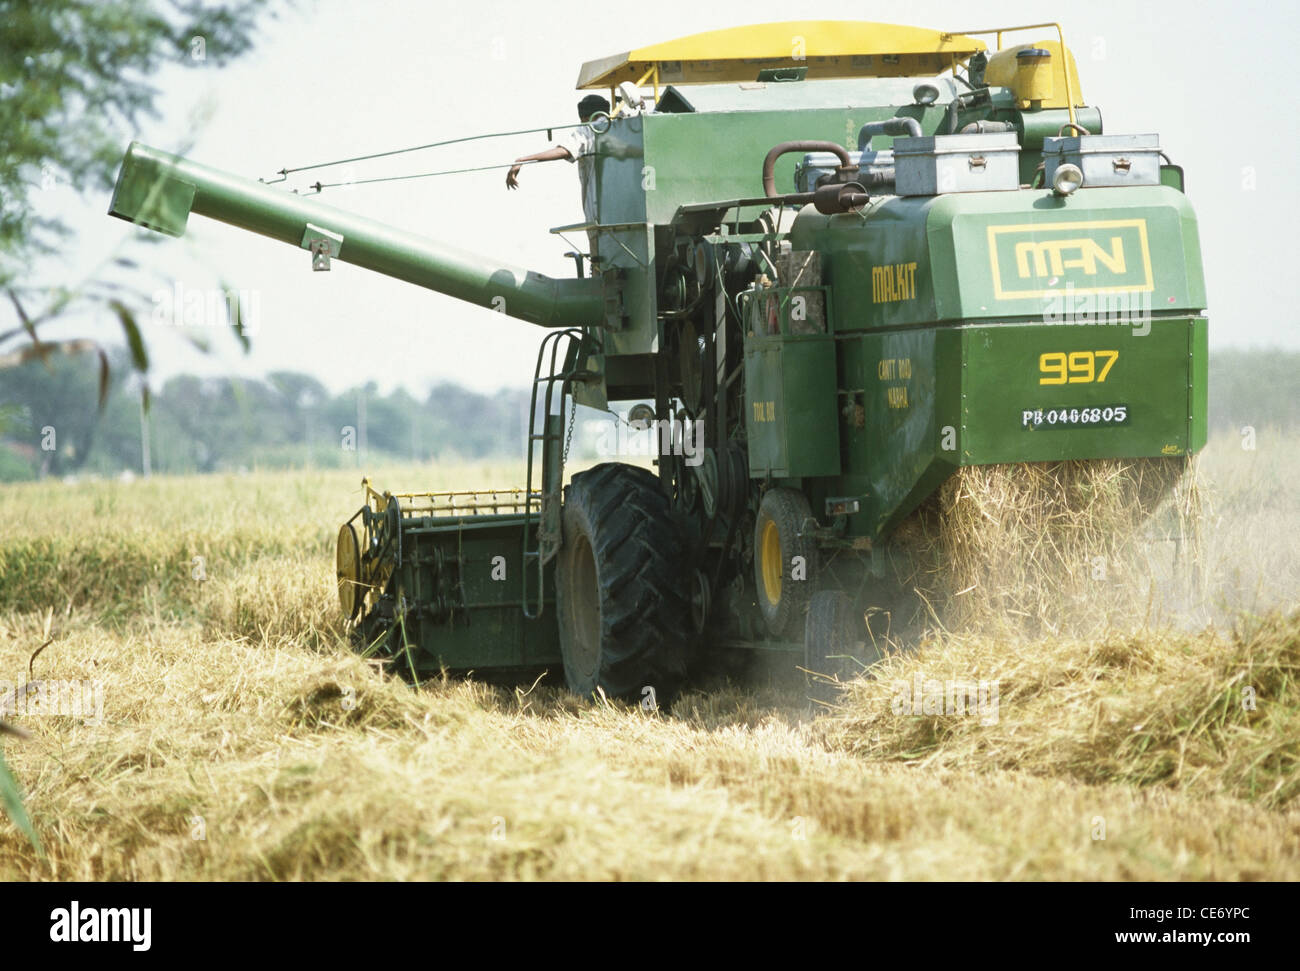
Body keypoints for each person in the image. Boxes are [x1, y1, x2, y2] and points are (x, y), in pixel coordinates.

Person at [506, 94, 609, 266]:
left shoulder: (589, 129)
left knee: (601, 267)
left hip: (598, 216)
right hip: (627, 213)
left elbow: (564, 150)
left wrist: (522, 160)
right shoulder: (622, 126)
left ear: (584, 116)